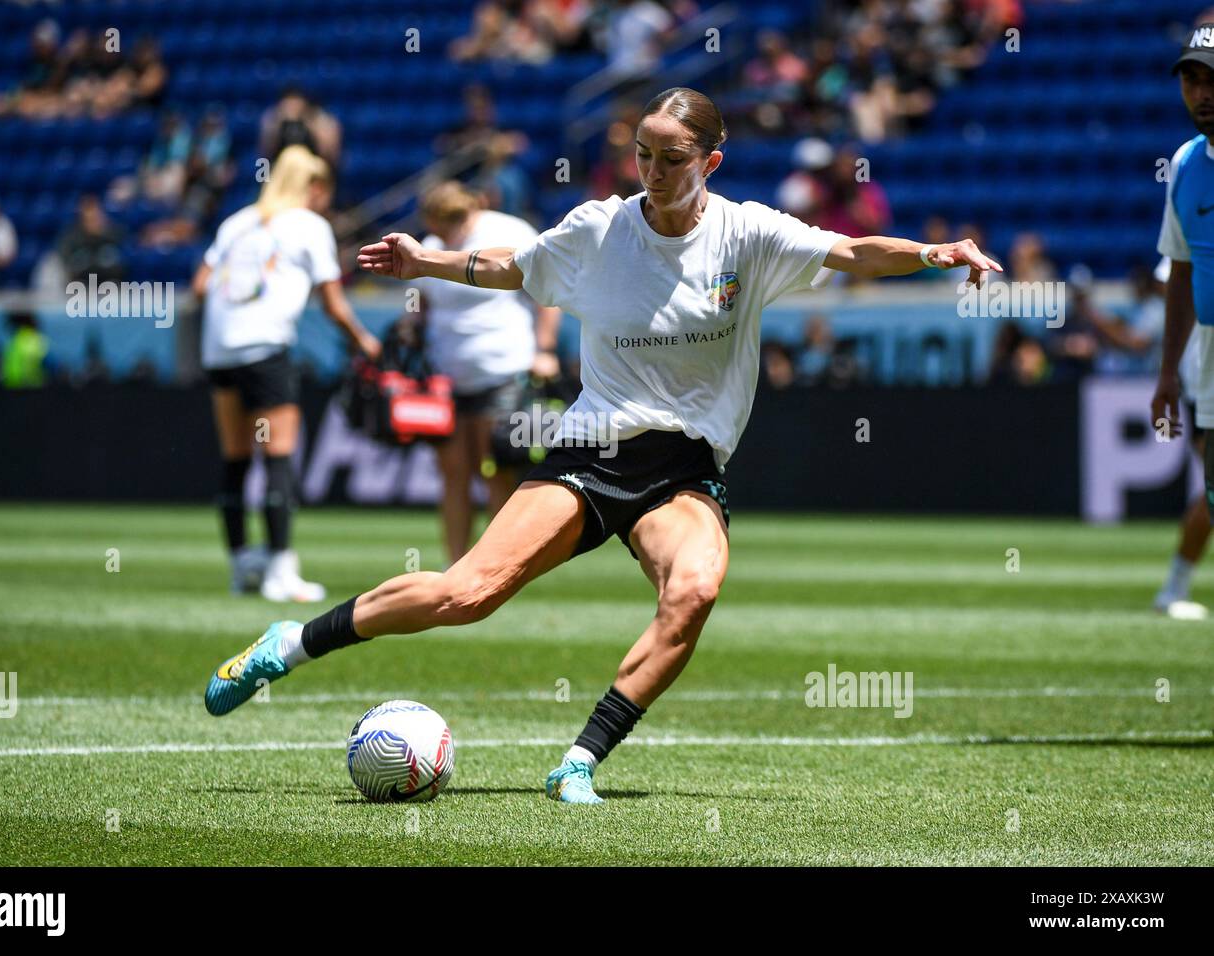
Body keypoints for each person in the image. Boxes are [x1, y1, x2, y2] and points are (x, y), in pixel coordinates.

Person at [202, 87, 1000, 803]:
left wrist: (936, 254)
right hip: (589, 453)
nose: (652, 169)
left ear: (710, 161)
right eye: (644, 153)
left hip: (683, 470)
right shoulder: (598, 229)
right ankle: (288, 644)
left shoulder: (749, 235)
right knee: (467, 594)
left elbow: (853, 251)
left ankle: (579, 760)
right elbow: (516, 267)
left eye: (673, 157)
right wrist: (426, 261)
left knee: (693, 590)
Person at [192, 145, 381, 602]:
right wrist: (364, 340)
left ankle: (242, 567)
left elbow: (200, 286)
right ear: (314, 187)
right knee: (277, 457)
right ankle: (280, 568)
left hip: (219, 349)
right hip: (266, 346)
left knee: (236, 460)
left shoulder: (237, 222)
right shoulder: (311, 226)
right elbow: (333, 302)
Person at [413, 181, 561, 566]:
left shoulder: (509, 232)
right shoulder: (431, 243)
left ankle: (499, 565)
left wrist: (544, 349)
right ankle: (456, 565)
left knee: (495, 469)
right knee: (453, 474)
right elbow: (424, 305)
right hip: (446, 378)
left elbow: (548, 295)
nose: (438, 235)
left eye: (443, 227)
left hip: (503, 369)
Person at [1150, 25, 1214, 621]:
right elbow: (1182, 271)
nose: (1202, 92)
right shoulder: (1187, 163)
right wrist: (1167, 372)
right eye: (1192, 80)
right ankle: (1173, 587)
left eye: (1211, 79)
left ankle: (1173, 585)